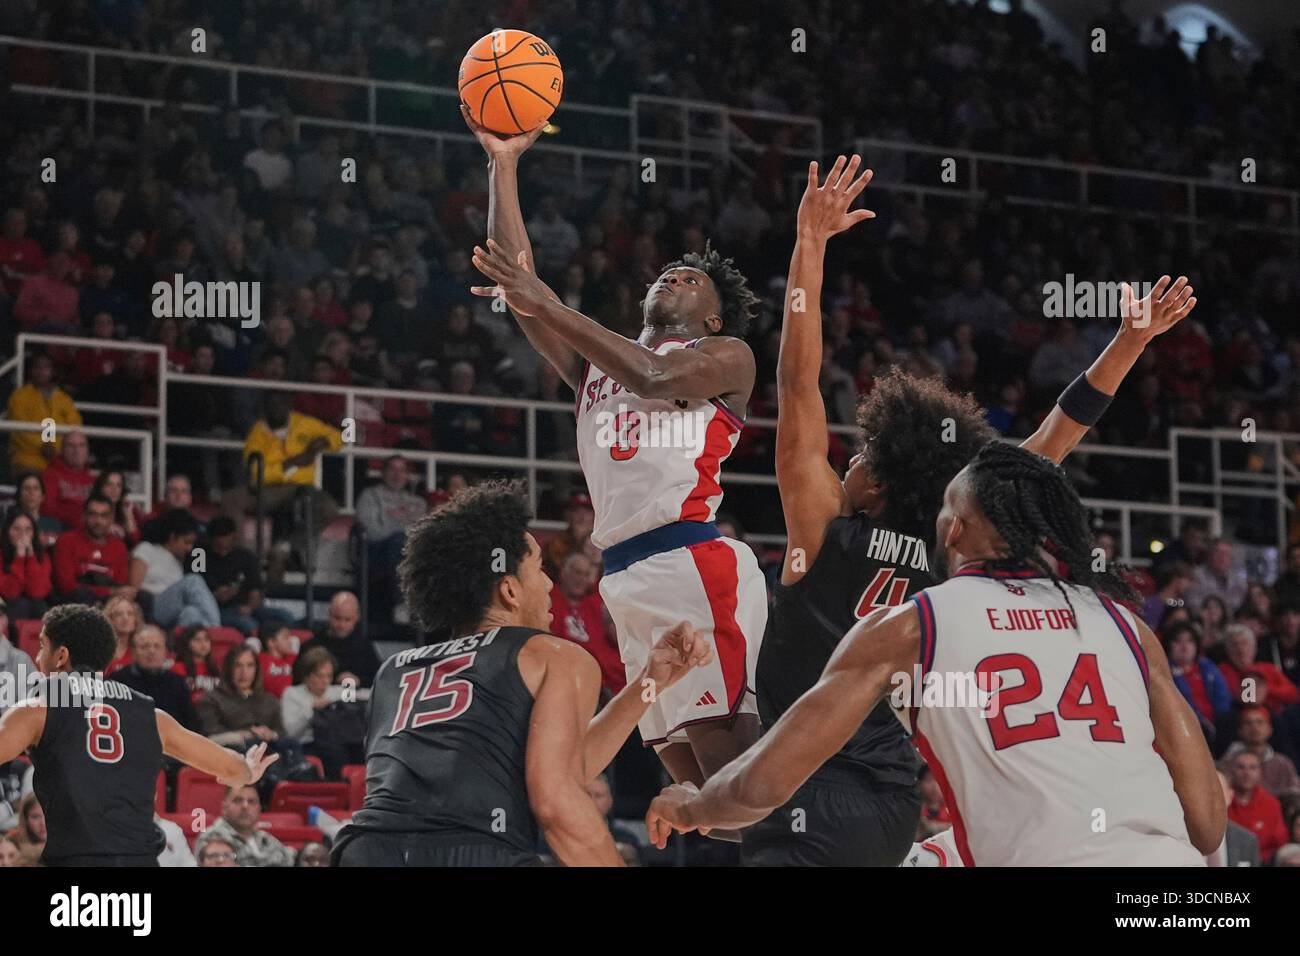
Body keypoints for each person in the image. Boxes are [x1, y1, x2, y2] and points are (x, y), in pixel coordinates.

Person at [744, 156, 1198, 865]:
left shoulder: (820, 529)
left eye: (861, 455)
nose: (849, 460)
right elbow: (1051, 440)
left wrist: (809, 245)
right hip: (893, 797)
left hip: (802, 785)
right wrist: (1129, 343)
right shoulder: (949, 559)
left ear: (882, 484)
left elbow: (797, 382)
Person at [646, 443, 1225, 866]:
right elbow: (1206, 823)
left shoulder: (909, 626)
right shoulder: (1127, 625)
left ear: (954, 531)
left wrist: (693, 806)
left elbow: (763, 786)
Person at [468, 112, 766, 794]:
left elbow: (654, 378)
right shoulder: (598, 363)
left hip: (690, 562)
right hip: (625, 576)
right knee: (693, 790)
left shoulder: (724, 355)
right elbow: (522, 285)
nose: (672, 278)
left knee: (737, 789)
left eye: (690, 280)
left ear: (715, 315)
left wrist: (544, 301)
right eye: (668, 272)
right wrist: (503, 165)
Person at [332, 480, 712, 867]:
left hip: (363, 849)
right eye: (539, 568)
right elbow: (554, 800)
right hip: (474, 850)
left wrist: (650, 683)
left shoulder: (394, 670)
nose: (549, 583)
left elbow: (566, 768)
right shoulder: (553, 654)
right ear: (510, 591)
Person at [0, 604, 277, 865]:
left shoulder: (39, 708)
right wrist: (248, 770)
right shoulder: (151, 715)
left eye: (41, 647)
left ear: (60, 656)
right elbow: (232, 769)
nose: (36, 658)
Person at [354, 454, 426, 618]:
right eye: (392, 469)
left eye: (402, 470)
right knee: (398, 541)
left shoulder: (418, 502)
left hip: (411, 552)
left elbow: (425, 532)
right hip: (377, 552)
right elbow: (371, 531)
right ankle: (402, 604)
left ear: (407, 475)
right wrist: (403, 535)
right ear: (383, 473)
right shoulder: (370, 495)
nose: (397, 474)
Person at [200, 515, 293, 636]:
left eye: (225, 546)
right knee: (249, 625)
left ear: (234, 537)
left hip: (246, 607)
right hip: (217, 610)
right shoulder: (200, 555)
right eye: (217, 546)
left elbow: (256, 591)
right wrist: (216, 595)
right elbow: (196, 583)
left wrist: (250, 607)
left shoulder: (246, 557)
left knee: (286, 617)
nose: (222, 551)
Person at [128, 509, 221, 629]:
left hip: (173, 614)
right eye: (186, 542)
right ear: (172, 537)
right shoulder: (146, 549)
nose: (190, 548)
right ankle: (217, 629)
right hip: (152, 606)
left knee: (191, 613)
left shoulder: (178, 563)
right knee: (193, 580)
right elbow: (134, 588)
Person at [198, 644, 287, 751]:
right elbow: (210, 732)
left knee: (290, 744)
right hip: (233, 751)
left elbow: (281, 732)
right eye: (238, 665)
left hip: (269, 747)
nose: (244, 672)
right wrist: (244, 734)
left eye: (250, 665)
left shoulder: (269, 700)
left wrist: (270, 734)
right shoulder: (211, 699)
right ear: (228, 669)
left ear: (256, 669)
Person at [6, 353, 82, 475]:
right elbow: (20, 430)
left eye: (46, 367)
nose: (41, 371)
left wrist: (56, 448)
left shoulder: (64, 398)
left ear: (52, 371)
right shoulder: (19, 397)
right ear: (31, 371)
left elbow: (74, 426)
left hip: (60, 460)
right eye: (37, 367)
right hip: (28, 460)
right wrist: (42, 445)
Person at [113, 625, 200, 732]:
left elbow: (192, 724)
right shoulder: (118, 681)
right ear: (134, 652)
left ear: (165, 652)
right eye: (145, 646)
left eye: (157, 646)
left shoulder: (177, 682)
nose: (152, 651)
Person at [51, 495, 131, 604]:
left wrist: (115, 592)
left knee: (143, 597)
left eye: (104, 516)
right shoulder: (66, 540)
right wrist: (109, 591)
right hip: (76, 600)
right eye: (93, 515)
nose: (98, 521)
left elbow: (120, 584)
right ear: (84, 516)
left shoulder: (119, 546)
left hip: (111, 600)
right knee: (81, 594)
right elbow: (66, 585)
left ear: (112, 519)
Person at [1164, 621, 1232, 744]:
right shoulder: (1164, 674)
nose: (1184, 647)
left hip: (1216, 729)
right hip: (1184, 731)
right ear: (1169, 645)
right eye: (1178, 641)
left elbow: (1223, 701)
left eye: (1190, 641)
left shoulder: (1208, 669)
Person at [195, 784, 293, 867]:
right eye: (238, 800)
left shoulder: (266, 839)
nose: (245, 806)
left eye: (251, 801)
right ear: (224, 808)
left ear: (259, 809)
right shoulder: (211, 837)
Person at [296, 592, 379, 688]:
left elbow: (379, 680)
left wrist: (358, 681)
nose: (341, 625)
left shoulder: (364, 647)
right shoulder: (311, 646)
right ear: (329, 614)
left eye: (347, 619)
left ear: (357, 618)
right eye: (337, 618)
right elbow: (298, 680)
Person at [1221, 705, 1300, 798]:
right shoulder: (1228, 762)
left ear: (1269, 730)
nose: (1254, 727)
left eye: (1260, 722)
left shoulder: (1282, 763)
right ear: (1240, 730)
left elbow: (1295, 793)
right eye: (1248, 723)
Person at [1225, 749, 1289, 863]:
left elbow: (1279, 842)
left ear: (1260, 772)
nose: (1247, 773)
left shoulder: (1271, 804)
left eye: (1253, 768)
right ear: (1232, 770)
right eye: (1241, 767)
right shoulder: (1223, 801)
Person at [0, 510, 53, 620]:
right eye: (16, 529)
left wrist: (30, 556)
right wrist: (19, 558)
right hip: (6, 604)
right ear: (7, 531)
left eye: (28, 529)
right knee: (20, 604)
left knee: (39, 605)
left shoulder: (42, 556)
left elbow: (37, 593)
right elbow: (10, 594)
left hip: (34, 605)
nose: (23, 534)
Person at [41, 430, 95, 530]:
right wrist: (79, 517)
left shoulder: (93, 479)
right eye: (71, 446)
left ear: (87, 450)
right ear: (62, 450)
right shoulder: (50, 474)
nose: (76, 450)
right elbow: (48, 509)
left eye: (81, 446)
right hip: (63, 531)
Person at [171, 626, 221, 706]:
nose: (203, 644)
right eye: (197, 640)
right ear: (187, 643)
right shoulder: (177, 668)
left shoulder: (216, 669)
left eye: (206, 639)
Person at [90, 470, 141, 545]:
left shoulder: (127, 509)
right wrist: (106, 529)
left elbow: (135, 541)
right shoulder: (91, 508)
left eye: (118, 485)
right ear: (100, 488)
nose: (114, 489)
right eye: (109, 484)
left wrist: (128, 516)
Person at [101, 594, 143, 675]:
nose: (125, 618)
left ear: (136, 620)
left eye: (130, 614)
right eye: (118, 614)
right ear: (109, 620)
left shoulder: (140, 649)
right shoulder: (101, 649)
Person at [258, 625, 297, 698]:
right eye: (285, 638)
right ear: (271, 642)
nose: (290, 642)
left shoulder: (293, 658)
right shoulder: (260, 661)